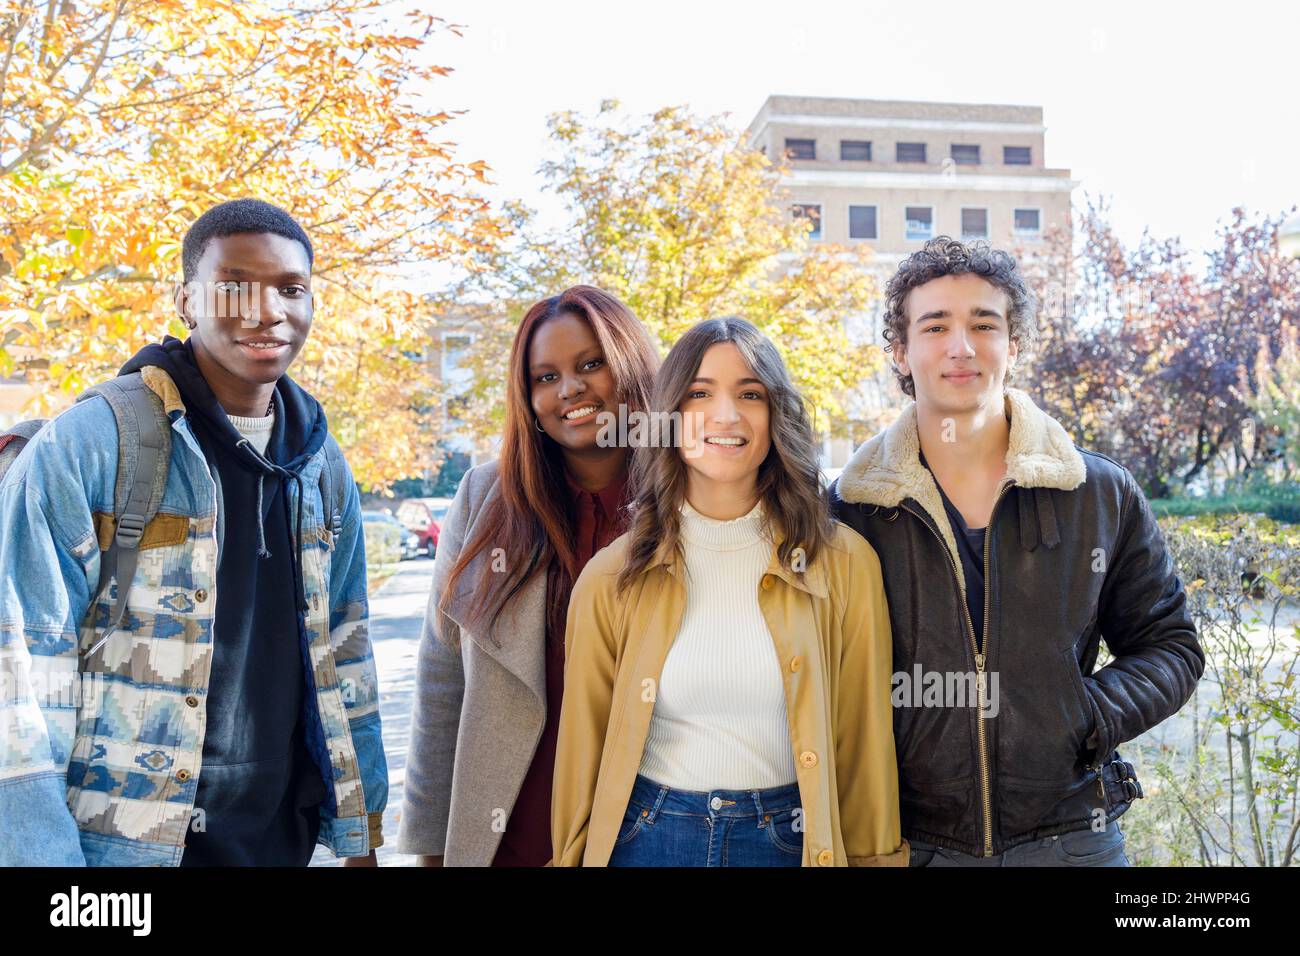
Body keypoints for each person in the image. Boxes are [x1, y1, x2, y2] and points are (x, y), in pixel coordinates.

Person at [0, 198, 387, 866]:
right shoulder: (95, 443)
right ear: (186, 299)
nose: (267, 311)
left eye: (291, 289)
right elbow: (21, 678)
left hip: (279, 839)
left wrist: (361, 837)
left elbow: (347, 647)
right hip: (124, 847)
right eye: (235, 286)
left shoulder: (320, 460)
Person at [830, 236, 1204, 866]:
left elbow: (1170, 646)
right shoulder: (847, 508)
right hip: (909, 840)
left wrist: (1083, 715)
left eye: (984, 323)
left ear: (1014, 344)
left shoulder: (1097, 492)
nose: (961, 346)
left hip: (1070, 837)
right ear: (900, 350)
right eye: (935, 325)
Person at [551, 317, 906, 867]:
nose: (726, 414)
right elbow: (582, 753)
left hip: (791, 841)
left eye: (750, 394)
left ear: (775, 416)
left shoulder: (844, 564)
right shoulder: (611, 577)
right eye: (699, 393)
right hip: (646, 838)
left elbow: (863, 746)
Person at [397, 286, 659, 866]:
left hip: (657, 831)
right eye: (545, 377)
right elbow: (442, 681)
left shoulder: (689, 496)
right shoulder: (484, 498)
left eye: (592, 364)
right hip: (511, 835)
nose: (570, 389)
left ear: (632, 367)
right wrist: (431, 848)